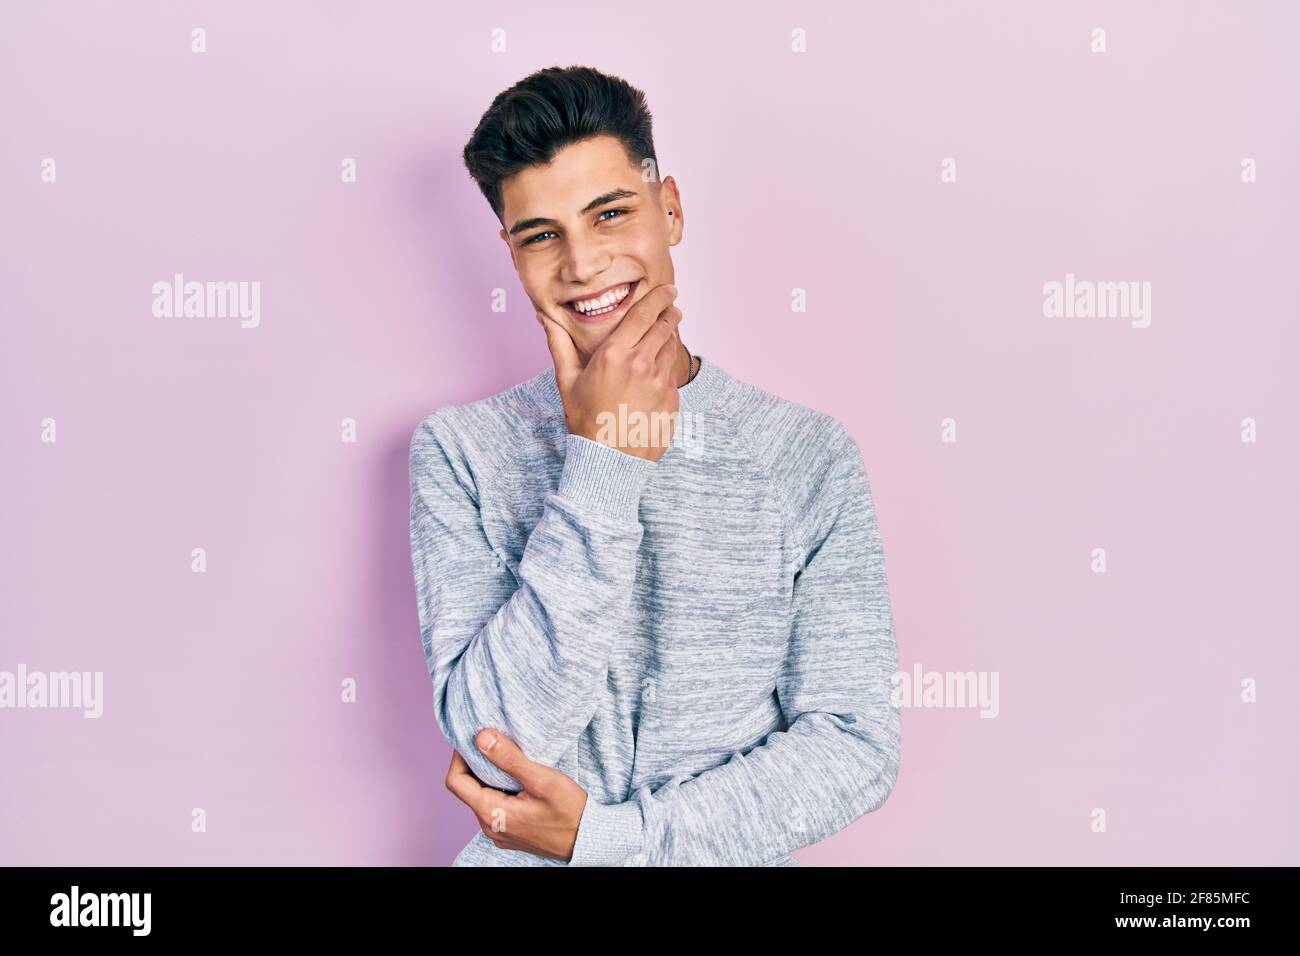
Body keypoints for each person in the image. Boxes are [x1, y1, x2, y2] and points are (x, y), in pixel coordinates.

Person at [408, 65, 901, 866]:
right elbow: (495, 744)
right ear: (510, 251)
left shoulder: (805, 454)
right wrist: (603, 464)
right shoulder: (462, 450)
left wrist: (609, 841)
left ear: (669, 210)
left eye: (610, 214)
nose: (583, 263)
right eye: (541, 235)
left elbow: (853, 744)